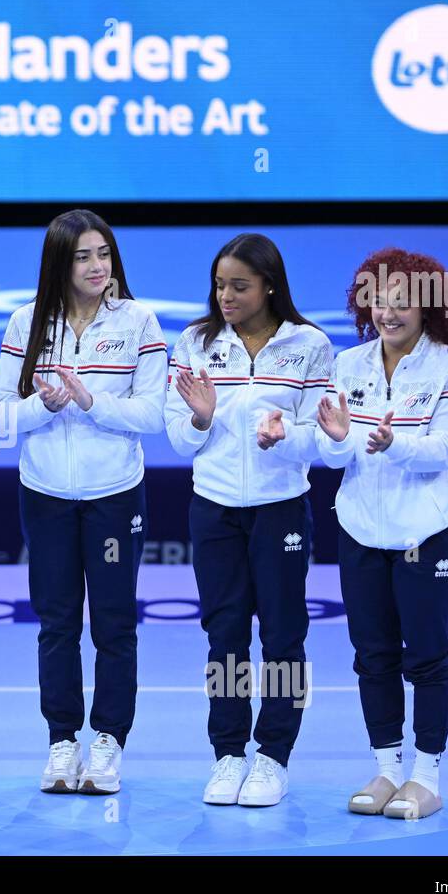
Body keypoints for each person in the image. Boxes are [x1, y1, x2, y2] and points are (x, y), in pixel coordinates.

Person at [0, 210, 166, 794]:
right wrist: (41, 406)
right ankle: (62, 741)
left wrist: (93, 402)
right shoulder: (25, 324)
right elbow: (0, 416)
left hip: (115, 497)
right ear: (59, 264)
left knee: (114, 626)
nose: (97, 267)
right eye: (82, 257)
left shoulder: (139, 321)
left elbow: (154, 414)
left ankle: (109, 742)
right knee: (57, 623)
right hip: (44, 496)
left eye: (104, 255)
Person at [164, 233, 332, 807]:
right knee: (225, 635)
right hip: (213, 509)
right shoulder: (194, 342)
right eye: (219, 285)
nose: (226, 296)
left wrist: (282, 439)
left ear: (270, 286)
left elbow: (323, 436)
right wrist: (202, 419)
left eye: (239, 285)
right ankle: (229, 754)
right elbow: (178, 438)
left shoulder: (308, 345)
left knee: (284, 635)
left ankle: (272, 757)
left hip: (280, 506)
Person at [316, 247, 448, 820]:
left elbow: (444, 452)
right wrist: (333, 438)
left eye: (403, 303)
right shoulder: (348, 364)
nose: (390, 313)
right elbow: (331, 452)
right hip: (360, 530)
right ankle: (387, 771)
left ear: (429, 308)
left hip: (424, 534)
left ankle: (426, 777)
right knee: (372, 655)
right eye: (380, 302)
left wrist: (394, 443)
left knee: (427, 657)